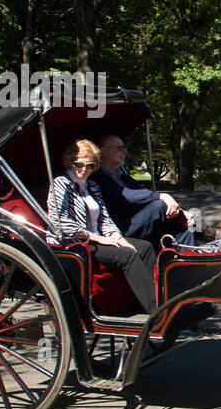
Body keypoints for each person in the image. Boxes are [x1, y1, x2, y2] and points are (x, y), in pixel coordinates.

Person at [47, 139, 158, 314]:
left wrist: (118, 238)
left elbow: (104, 218)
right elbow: (60, 221)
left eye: (90, 166)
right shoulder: (61, 184)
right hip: (74, 241)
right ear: (70, 162)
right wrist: (97, 238)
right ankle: (156, 311)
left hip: (97, 238)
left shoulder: (92, 186)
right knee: (127, 255)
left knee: (144, 248)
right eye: (79, 164)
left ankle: (155, 299)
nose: (84, 169)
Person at [90, 134, 210, 245]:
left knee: (183, 226)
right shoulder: (96, 176)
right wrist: (162, 196)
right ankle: (204, 232)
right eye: (120, 148)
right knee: (159, 206)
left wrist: (179, 210)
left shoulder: (121, 175)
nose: (125, 152)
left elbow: (141, 191)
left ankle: (186, 260)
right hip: (122, 226)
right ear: (103, 151)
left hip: (140, 219)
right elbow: (126, 195)